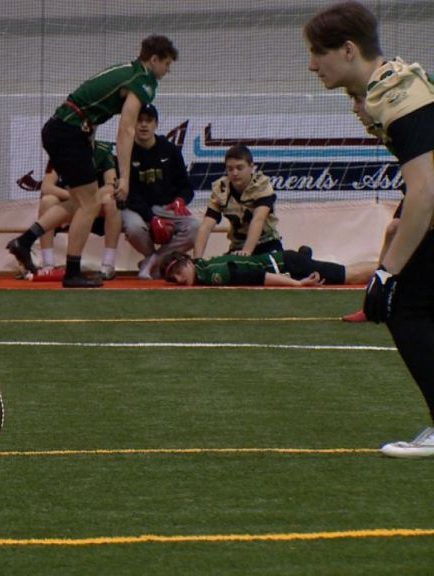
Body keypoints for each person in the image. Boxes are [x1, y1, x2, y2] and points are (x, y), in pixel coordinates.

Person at [304, 1, 434, 458]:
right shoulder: (385, 88)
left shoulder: (395, 93)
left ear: (347, 49)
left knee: (406, 307)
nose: (311, 63)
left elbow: (427, 192)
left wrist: (386, 273)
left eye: (318, 52)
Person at [7, 35, 177, 288]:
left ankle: (25, 240)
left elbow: (90, 107)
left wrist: (89, 140)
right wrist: (126, 178)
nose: (167, 70)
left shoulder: (125, 70)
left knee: (79, 200)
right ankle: (72, 271)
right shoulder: (142, 80)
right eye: (166, 64)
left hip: (63, 129)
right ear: (153, 60)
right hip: (68, 132)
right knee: (90, 202)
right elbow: (126, 130)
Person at [342, 93, 403, 323]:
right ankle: (373, 303)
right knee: (394, 230)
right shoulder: (389, 131)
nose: (355, 109)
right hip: (421, 184)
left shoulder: (406, 124)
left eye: (358, 101)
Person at [122, 103, 199, 279]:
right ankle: (151, 260)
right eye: (139, 120)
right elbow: (129, 194)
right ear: (133, 124)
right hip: (136, 208)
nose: (143, 125)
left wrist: (181, 200)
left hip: (165, 208)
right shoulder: (126, 151)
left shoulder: (169, 150)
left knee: (195, 228)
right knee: (134, 228)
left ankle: (153, 261)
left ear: (156, 124)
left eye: (148, 121)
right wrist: (151, 218)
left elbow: (186, 186)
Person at [33, 142, 119, 279]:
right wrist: (76, 198)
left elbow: (111, 186)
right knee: (47, 200)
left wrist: (89, 199)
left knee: (112, 202)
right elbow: (46, 187)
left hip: (93, 206)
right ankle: (48, 264)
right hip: (69, 206)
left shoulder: (102, 151)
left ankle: (108, 265)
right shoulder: (60, 152)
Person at [193, 144, 283, 258]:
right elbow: (206, 226)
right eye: (230, 169)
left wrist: (246, 253)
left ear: (251, 167)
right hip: (237, 247)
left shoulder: (262, 185)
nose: (235, 173)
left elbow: (258, 219)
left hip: (267, 243)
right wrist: (197, 260)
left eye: (239, 168)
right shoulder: (220, 190)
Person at [160, 250, 376, 287]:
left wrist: (297, 283)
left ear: (187, 263)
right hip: (284, 261)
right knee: (345, 272)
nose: (178, 279)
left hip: (288, 266)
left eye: (178, 272)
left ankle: (390, 271)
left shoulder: (216, 273)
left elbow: (260, 276)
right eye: (173, 278)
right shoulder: (202, 267)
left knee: (349, 276)